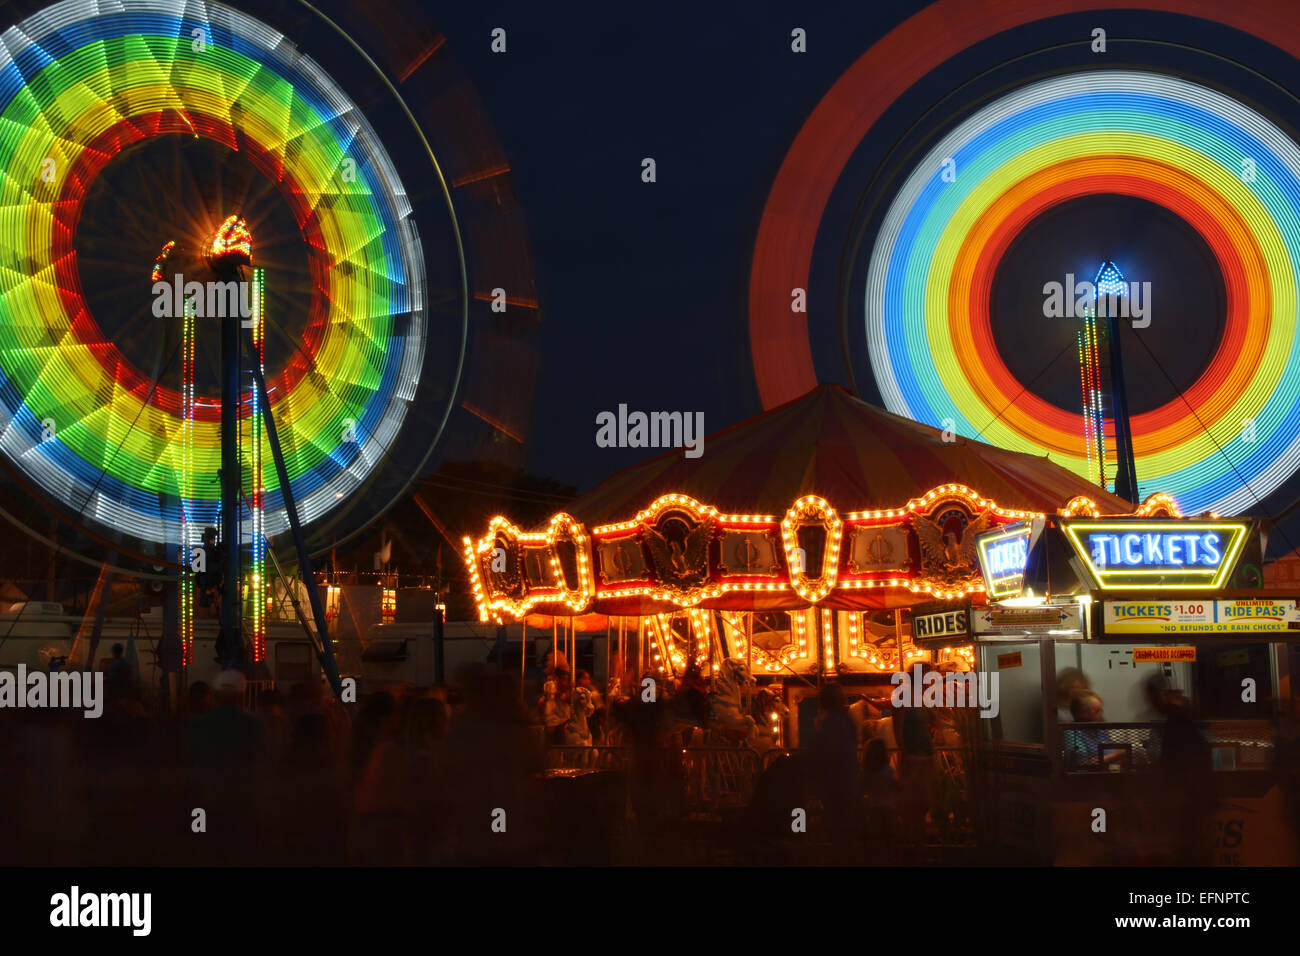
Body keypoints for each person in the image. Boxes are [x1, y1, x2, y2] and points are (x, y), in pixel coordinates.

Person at [1064, 691, 1122, 769]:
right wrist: (1115, 756)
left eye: (1101, 710)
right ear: (1082, 713)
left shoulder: (1099, 731)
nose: (1102, 714)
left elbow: (1112, 751)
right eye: (1097, 711)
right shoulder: (1072, 733)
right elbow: (1082, 764)